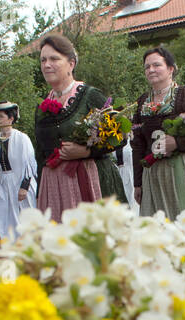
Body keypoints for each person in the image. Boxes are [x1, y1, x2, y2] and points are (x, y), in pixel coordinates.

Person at [33, 34, 127, 221]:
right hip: (54, 188)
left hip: (92, 182)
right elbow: (40, 154)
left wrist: (86, 151)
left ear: (71, 64)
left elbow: (121, 136)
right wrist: (39, 194)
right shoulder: (42, 105)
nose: (46, 65)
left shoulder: (90, 96)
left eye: (54, 59)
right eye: (43, 60)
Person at [130, 46, 185, 218]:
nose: (151, 70)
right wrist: (138, 183)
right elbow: (138, 144)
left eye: (156, 65)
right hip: (153, 175)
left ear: (171, 69)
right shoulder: (141, 102)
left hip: (184, 169)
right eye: (147, 67)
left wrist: (178, 143)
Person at [0, 102, 37, 239]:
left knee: (22, 220)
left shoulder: (22, 138)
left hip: (19, 183)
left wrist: (24, 187)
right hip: (2, 184)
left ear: (11, 118)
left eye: (1, 116)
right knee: (2, 218)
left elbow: (29, 165)